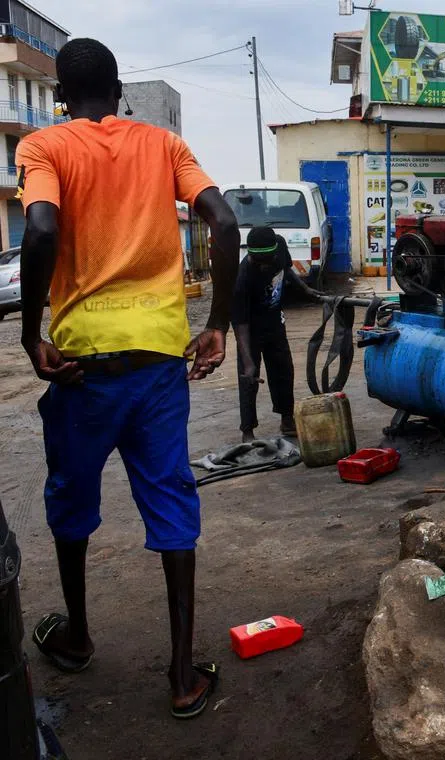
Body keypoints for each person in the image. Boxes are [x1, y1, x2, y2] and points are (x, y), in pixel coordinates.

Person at [16, 39, 239, 718]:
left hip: (83, 369)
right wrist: (218, 324)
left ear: (61, 96)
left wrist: (32, 332)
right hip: (157, 369)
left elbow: (42, 230)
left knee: (71, 502)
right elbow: (225, 223)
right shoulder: (165, 146)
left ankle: (79, 637)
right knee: (172, 506)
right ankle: (181, 678)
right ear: (119, 93)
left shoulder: (43, 148)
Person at [233, 226, 323, 442]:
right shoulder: (241, 278)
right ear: (250, 255)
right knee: (249, 378)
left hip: (275, 322)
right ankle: (248, 430)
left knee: (283, 370)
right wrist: (247, 360)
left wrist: (305, 289)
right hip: (250, 331)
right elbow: (240, 323)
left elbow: (286, 270)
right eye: (258, 262)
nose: (264, 266)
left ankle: (286, 419)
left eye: (267, 260)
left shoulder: (280, 246)